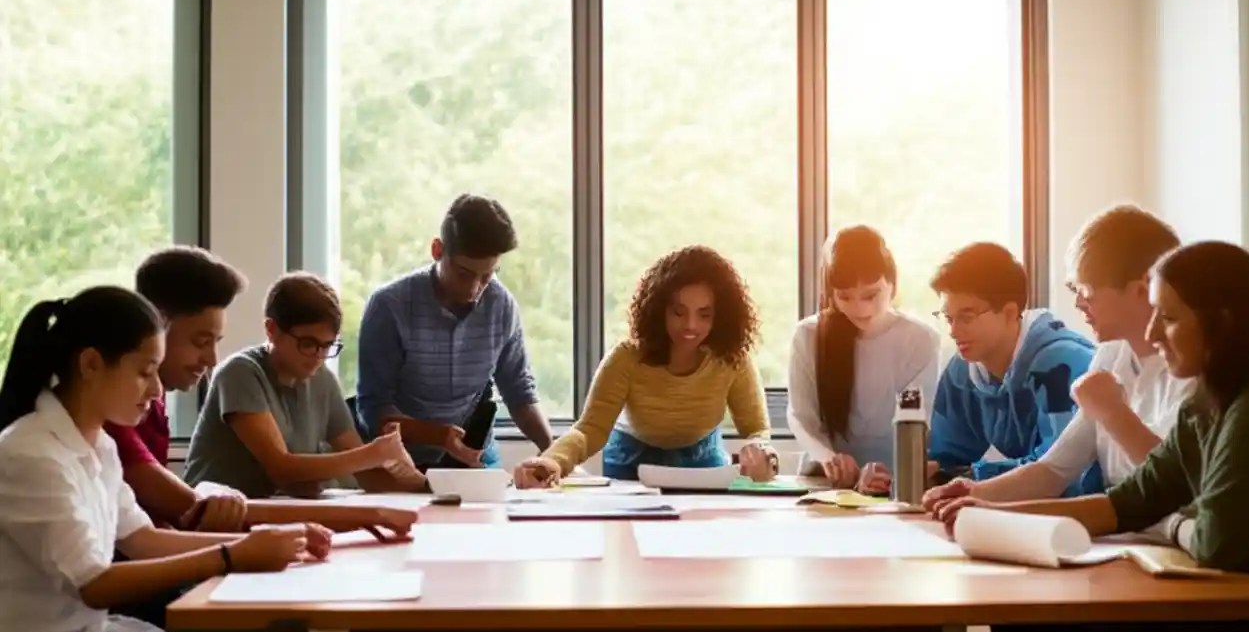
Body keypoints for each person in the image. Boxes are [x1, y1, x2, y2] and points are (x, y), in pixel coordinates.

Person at [937, 242, 1249, 632]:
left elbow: (1217, 542)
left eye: (1168, 318)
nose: (1153, 333)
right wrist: (991, 513)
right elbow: (1129, 500)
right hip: (1230, 600)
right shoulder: (1208, 401)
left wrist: (1169, 523)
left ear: (1223, 322)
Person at [0, 286, 333, 632]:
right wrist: (232, 555)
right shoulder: (30, 453)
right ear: (91, 364)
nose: (156, 390)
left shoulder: (99, 445)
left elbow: (143, 540)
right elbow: (94, 584)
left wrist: (273, 540)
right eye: (144, 372)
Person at [107, 247, 415, 534]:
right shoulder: (116, 411)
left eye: (327, 347)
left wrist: (421, 484)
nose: (212, 360)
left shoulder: (152, 402)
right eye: (201, 342)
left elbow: (157, 530)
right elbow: (194, 508)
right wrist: (366, 511)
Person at [924, 206, 1193, 516]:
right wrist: (974, 493)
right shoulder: (1111, 355)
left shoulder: (1192, 368)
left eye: (1086, 292)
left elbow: (1183, 485)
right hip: (1123, 531)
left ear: (1140, 290)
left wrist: (1115, 413)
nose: (1078, 303)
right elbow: (1054, 470)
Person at [514, 246, 777, 487]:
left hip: (705, 463)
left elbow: (756, 429)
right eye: (679, 312)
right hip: (630, 463)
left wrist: (762, 454)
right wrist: (552, 462)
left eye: (704, 314)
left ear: (721, 316)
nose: (690, 325)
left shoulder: (733, 360)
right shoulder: (626, 358)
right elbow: (590, 430)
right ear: (659, 310)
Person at [356, 194, 555, 470]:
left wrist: (553, 452)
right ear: (437, 250)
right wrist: (440, 436)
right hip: (399, 459)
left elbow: (519, 392)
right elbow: (373, 410)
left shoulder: (501, 305)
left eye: (487, 276)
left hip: (473, 454)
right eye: (464, 274)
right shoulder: (389, 307)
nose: (475, 289)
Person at [185, 272, 424, 499]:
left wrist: (420, 482)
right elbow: (281, 468)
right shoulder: (240, 373)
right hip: (215, 513)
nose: (318, 357)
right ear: (271, 330)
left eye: (327, 346)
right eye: (308, 344)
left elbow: (366, 475)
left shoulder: (323, 380)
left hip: (279, 513)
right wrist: (373, 454)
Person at [927, 242, 1097, 494]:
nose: (953, 331)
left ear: (1009, 313)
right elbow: (947, 460)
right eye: (948, 318)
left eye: (966, 317)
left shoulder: (1061, 364)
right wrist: (914, 475)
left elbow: (1063, 474)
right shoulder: (962, 370)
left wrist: (974, 476)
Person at [787, 225, 940, 493]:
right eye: (844, 297)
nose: (860, 308)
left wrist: (885, 475)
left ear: (892, 283)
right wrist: (829, 459)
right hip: (827, 482)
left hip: (895, 480)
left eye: (871, 295)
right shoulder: (809, 336)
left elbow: (917, 423)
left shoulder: (920, 339)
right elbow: (802, 416)